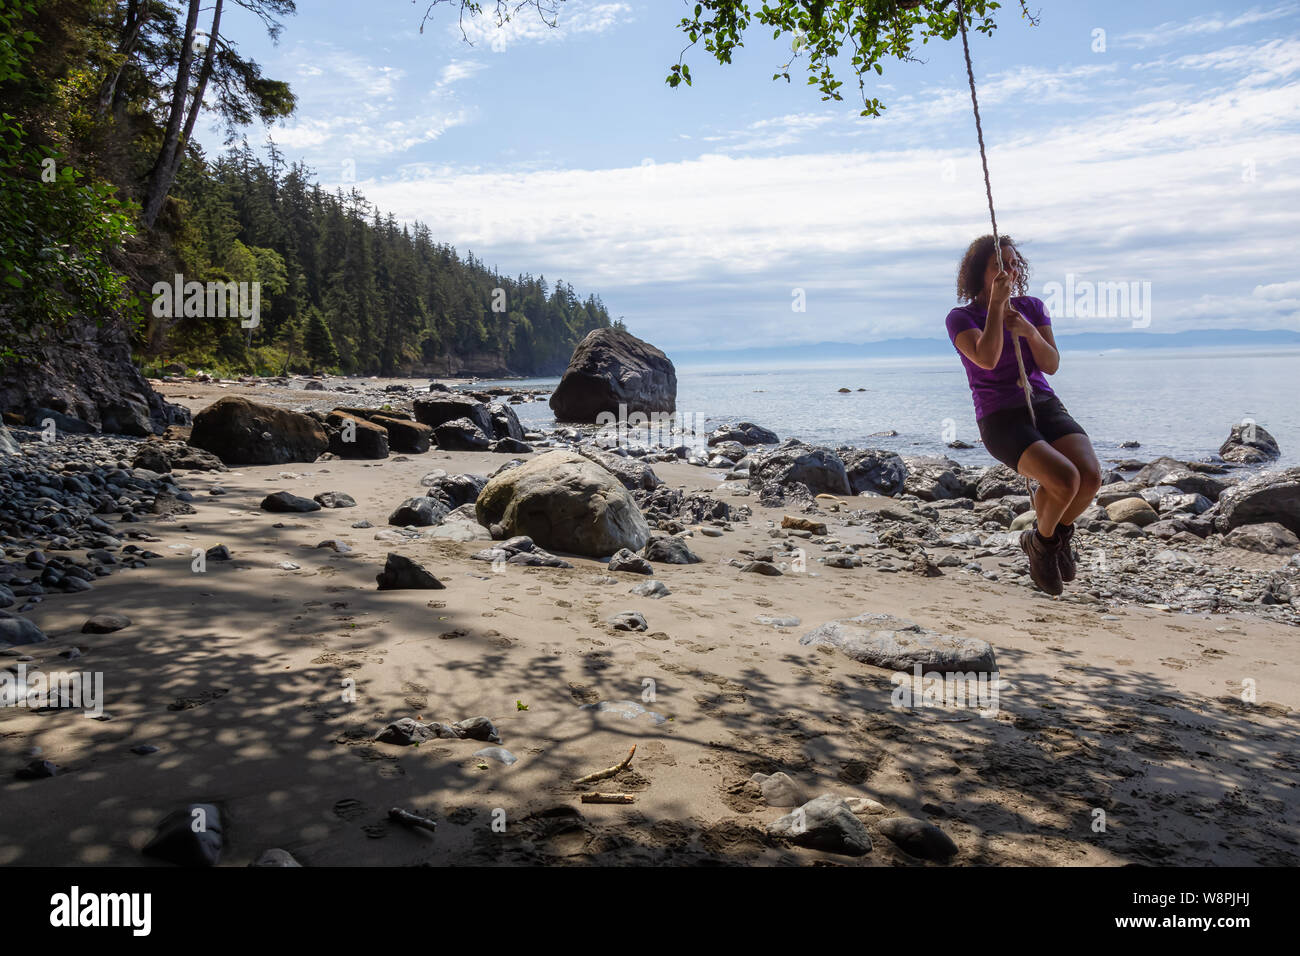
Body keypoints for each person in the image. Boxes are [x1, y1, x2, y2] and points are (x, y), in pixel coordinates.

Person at [945, 235, 1102, 595]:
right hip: (1000, 416)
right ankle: (1044, 548)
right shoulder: (961, 318)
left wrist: (1029, 331)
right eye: (999, 265)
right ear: (978, 272)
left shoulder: (1031, 307)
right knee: (1063, 479)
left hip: (1042, 402)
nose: (1009, 271)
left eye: (1013, 264)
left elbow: (1052, 364)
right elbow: (986, 358)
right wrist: (997, 308)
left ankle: (1048, 537)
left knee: (1090, 477)